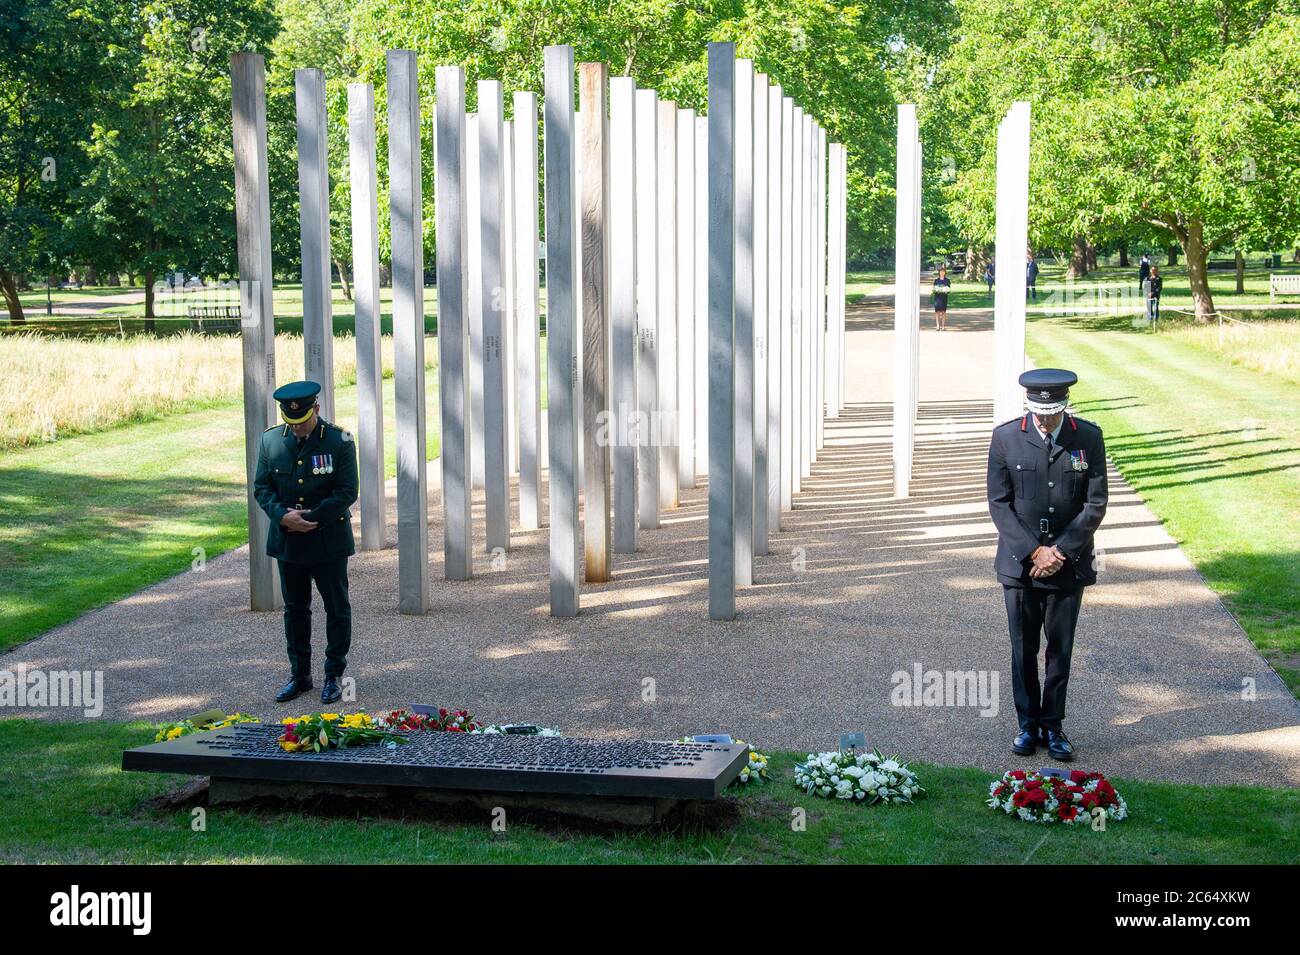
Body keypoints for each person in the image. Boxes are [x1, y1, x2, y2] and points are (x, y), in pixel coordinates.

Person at [986, 369, 1108, 761]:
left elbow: (1095, 503)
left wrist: (1059, 551)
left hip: (1067, 565)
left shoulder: (1087, 437)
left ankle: (1053, 726)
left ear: (1064, 406)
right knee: (1023, 648)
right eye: (1038, 413)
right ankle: (1027, 725)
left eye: (1051, 413)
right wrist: (1033, 551)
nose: (1044, 420)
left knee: (1060, 649)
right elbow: (999, 503)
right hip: (1021, 566)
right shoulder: (1006, 438)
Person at [253, 380, 359, 705]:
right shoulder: (271, 440)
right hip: (289, 543)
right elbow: (262, 488)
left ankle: (333, 676)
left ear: (316, 409)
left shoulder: (340, 441)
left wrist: (310, 518)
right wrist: (282, 516)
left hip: (327, 541)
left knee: (336, 608)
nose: (297, 430)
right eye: (291, 424)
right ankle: (299, 675)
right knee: (295, 610)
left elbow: (346, 491)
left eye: (302, 423)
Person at [932, 266, 951, 330]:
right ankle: (937, 326)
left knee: (943, 312)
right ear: (939, 272)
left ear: (945, 272)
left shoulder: (947, 280)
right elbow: (934, 289)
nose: (942, 273)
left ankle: (943, 326)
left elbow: (949, 289)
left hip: (944, 298)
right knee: (937, 312)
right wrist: (936, 290)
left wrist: (945, 290)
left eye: (943, 272)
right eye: (941, 271)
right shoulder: (936, 280)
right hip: (937, 298)